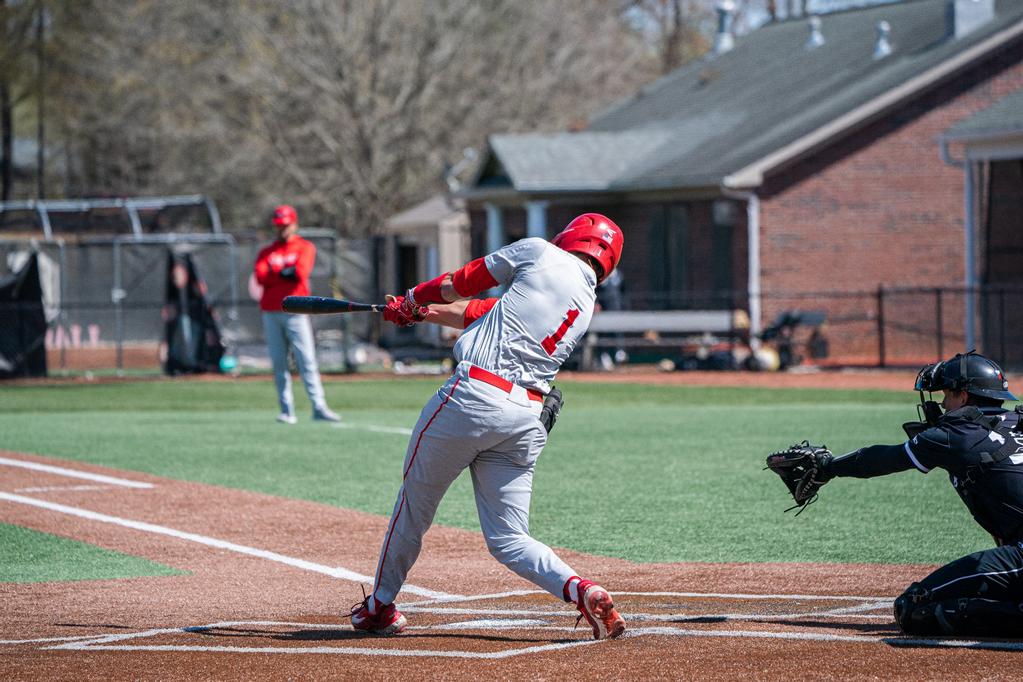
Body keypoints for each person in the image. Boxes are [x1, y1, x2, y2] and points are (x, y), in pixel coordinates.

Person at [349, 213, 628, 640]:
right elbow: (486, 312)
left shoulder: (539, 252)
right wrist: (421, 312)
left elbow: (461, 282)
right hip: (525, 418)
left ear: (572, 235)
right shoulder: (584, 301)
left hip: (472, 399)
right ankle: (580, 588)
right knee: (509, 538)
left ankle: (380, 606)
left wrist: (412, 297)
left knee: (414, 507)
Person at [770, 351, 1023, 637]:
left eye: (946, 395)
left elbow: (883, 459)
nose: (942, 404)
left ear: (963, 397)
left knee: (914, 607)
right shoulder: (1017, 422)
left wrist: (828, 466)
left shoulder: (958, 434)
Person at [253, 204, 341, 424]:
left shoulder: (304, 247)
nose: (282, 229)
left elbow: (300, 273)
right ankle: (286, 410)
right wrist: (284, 273)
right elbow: (261, 277)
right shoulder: (267, 251)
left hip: (297, 311)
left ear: (294, 224)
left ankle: (319, 407)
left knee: (306, 359)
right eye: (278, 225)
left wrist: (277, 274)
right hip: (271, 310)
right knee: (279, 363)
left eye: (285, 225)